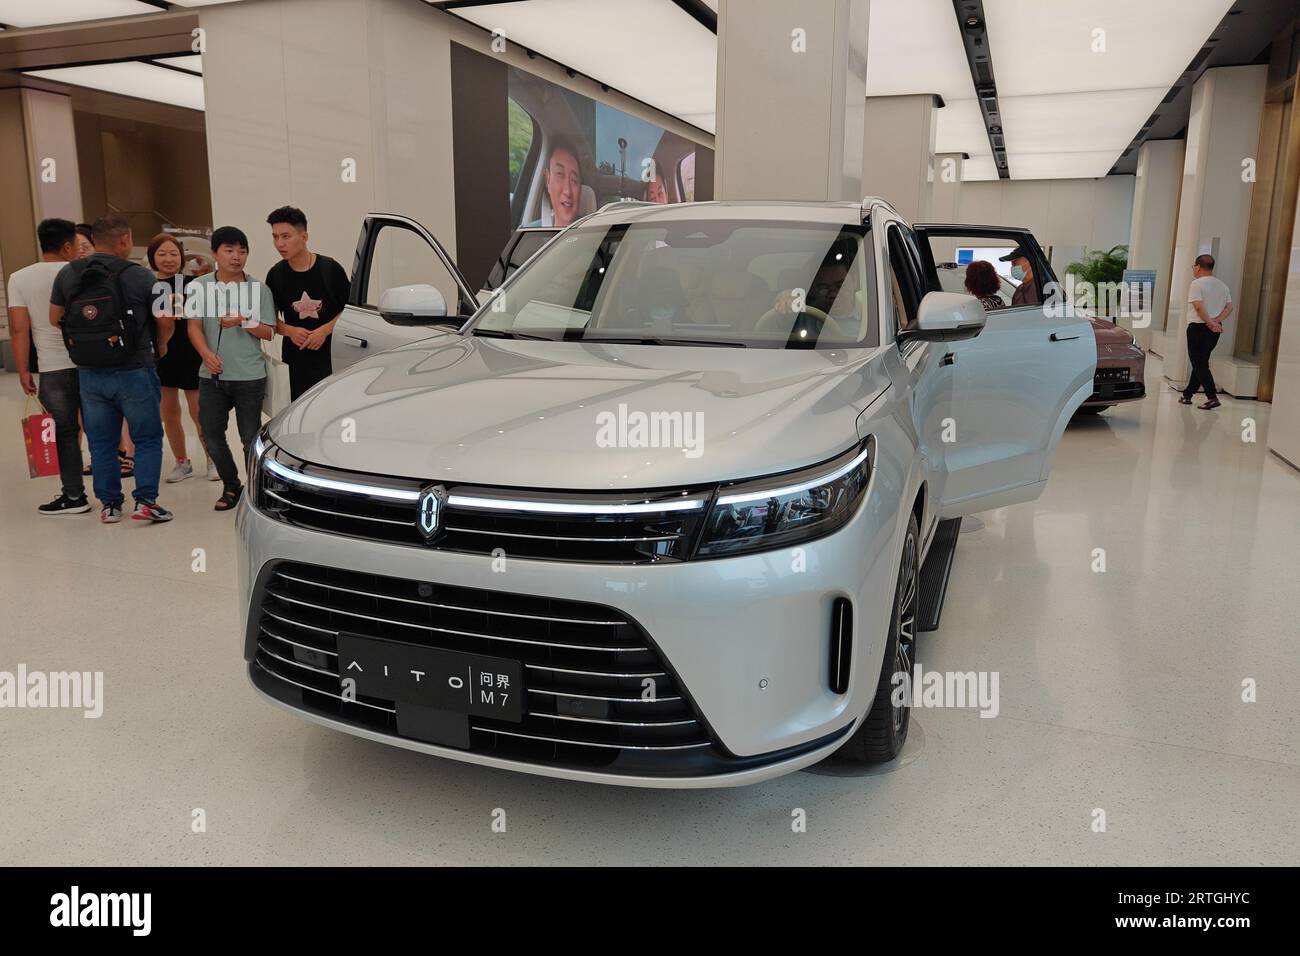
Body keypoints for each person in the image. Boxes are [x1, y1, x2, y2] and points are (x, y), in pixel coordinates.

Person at [49, 214, 175, 524]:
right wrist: (161, 344)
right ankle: (145, 502)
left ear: (94, 241)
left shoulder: (68, 274)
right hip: (135, 369)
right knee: (146, 437)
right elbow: (166, 320)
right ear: (124, 240)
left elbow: (55, 318)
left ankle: (109, 505)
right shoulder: (143, 276)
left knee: (101, 441)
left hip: (90, 372)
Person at [189, 226, 276, 511]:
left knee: (249, 436)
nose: (236, 257)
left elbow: (268, 333)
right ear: (215, 253)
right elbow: (194, 327)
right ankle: (231, 485)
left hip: (249, 375)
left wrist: (244, 320)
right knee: (211, 433)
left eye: (242, 251)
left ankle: (255, 488)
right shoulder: (198, 287)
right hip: (211, 375)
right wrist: (206, 354)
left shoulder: (259, 289)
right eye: (229, 250)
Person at [7, 218, 89, 515]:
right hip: (91, 364)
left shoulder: (20, 277)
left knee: (66, 432)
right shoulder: (82, 271)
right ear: (68, 245)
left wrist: (24, 371)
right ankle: (111, 498)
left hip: (52, 368)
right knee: (101, 429)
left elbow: (19, 329)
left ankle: (74, 496)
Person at [265, 206, 351, 401]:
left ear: (304, 237)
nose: (279, 243)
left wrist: (325, 330)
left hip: (333, 359)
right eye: (275, 237)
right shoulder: (276, 275)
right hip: (295, 363)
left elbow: (350, 311)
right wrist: (290, 331)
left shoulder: (330, 269)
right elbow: (269, 320)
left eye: (286, 236)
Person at [148, 233, 214, 483]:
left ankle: (212, 459)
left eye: (174, 254)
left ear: (182, 257)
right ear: (153, 257)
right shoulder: (148, 285)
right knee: (169, 412)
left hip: (191, 352)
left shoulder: (194, 284)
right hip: (161, 354)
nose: (168, 259)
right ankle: (181, 462)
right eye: (162, 254)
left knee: (199, 412)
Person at [1181, 253, 1232, 410]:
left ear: (1197, 267)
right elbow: (1229, 307)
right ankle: (1187, 395)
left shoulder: (1196, 284)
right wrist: (1216, 322)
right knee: (1201, 362)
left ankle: (1211, 396)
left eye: (1193, 267)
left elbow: (1198, 306)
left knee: (1199, 363)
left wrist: (1209, 322)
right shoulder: (1222, 285)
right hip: (1214, 330)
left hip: (1198, 327)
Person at [525, 136, 584, 228]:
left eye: (574, 180)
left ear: (580, 190)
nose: (567, 191)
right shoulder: (530, 234)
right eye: (560, 174)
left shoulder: (596, 236)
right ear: (548, 180)